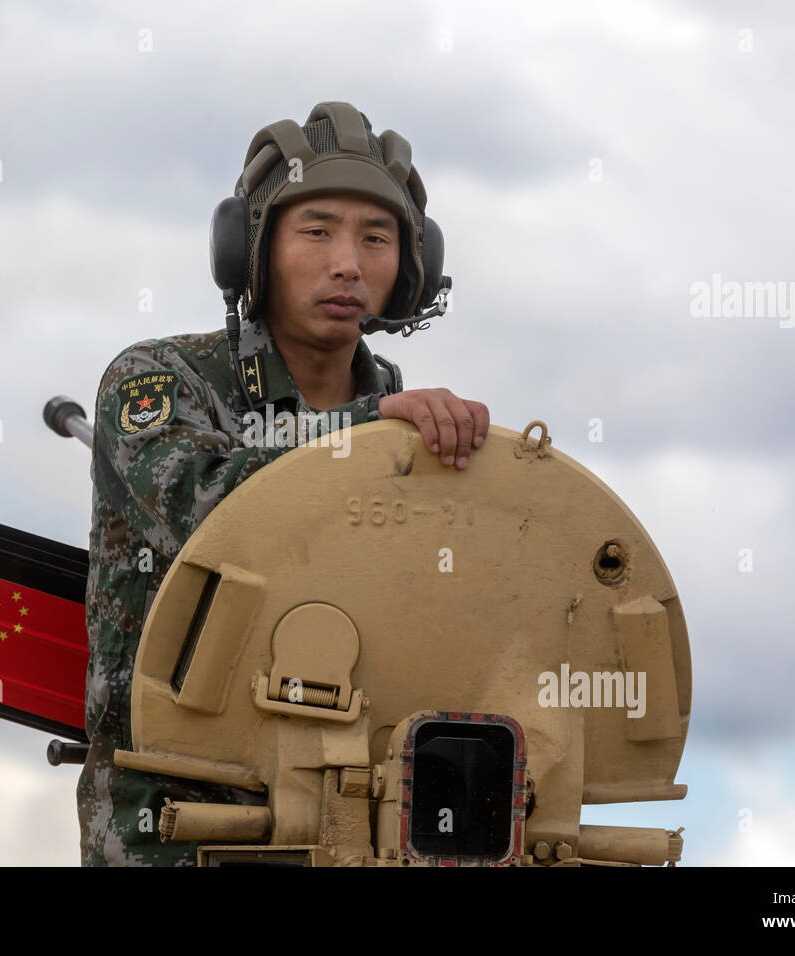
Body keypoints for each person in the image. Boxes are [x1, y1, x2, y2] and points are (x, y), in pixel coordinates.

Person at [77, 101, 489, 865]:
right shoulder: (159, 378)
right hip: (179, 817)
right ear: (251, 251)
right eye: (317, 232)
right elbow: (207, 507)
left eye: (377, 238)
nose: (348, 263)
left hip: (361, 820)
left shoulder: (398, 412)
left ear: (412, 265)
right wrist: (368, 428)